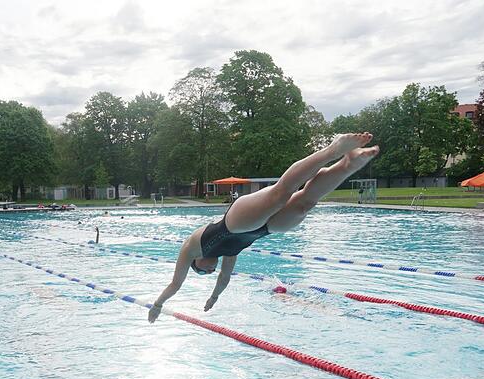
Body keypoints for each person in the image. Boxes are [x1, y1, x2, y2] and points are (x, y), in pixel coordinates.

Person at [148, 133, 379, 323]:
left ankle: (333, 149)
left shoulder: (191, 248)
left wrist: (158, 304)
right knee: (303, 205)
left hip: (235, 222)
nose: (208, 272)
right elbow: (224, 278)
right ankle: (348, 164)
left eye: (201, 272)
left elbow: (175, 283)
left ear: (194, 264)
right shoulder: (227, 256)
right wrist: (214, 298)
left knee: (281, 193)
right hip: (262, 230)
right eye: (207, 274)